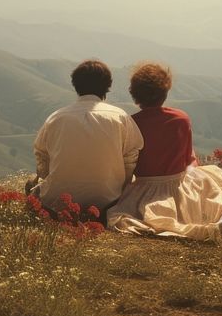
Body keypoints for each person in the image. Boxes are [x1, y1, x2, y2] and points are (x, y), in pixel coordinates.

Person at [107, 62, 222, 240]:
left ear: (134, 93)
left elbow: (130, 163)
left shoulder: (132, 123)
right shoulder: (181, 119)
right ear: (165, 91)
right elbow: (189, 160)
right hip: (178, 185)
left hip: (143, 187)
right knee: (217, 180)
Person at [31, 59, 144, 222]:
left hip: (56, 202)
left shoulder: (56, 118)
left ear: (75, 85)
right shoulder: (120, 117)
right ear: (108, 86)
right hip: (108, 202)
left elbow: (41, 155)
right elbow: (132, 156)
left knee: (31, 184)